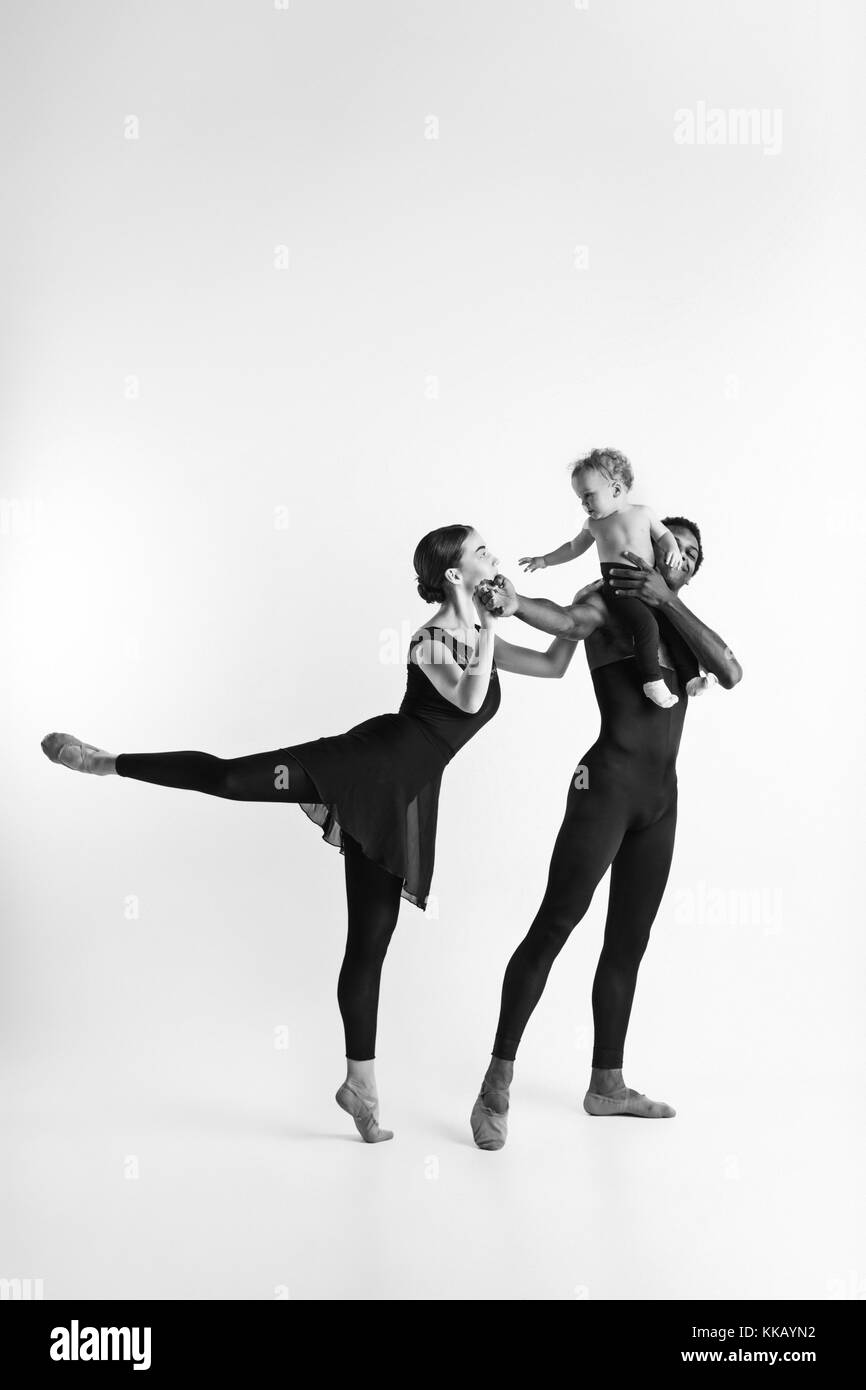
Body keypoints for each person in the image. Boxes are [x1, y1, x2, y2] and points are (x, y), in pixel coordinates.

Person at [41, 524, 589, 1146]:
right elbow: (466, 700)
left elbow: (553, 663)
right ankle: (107, 761)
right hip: (365, 765)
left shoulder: (482, 635)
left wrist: (586, 612)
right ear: (456, 576)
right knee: (228, 778)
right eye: (482, 552)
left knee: (370, 941)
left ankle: (360, 1083)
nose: (495, 556)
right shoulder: (432, 638)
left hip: (402, 799)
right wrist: (492, 625)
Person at [470, 517, 742, 1149]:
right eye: (674, 544)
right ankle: (495, 1085)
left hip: (659, 804)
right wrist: (512, 604)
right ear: (645, 547)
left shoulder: (674, 618)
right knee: (554, 925)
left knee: (628, 943)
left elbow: (730, 670)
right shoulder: (605, 604)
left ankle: (607, 1085)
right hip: (606, 789)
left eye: (692, 553)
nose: (683, 556)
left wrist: (666, 598)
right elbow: (565, 625)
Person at [519, 447, 710, 708]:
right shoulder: (594, 525)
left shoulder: (643, 513)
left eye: (588, 495)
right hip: (619, 587)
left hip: (648, 583)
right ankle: (652, 681)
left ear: (616, 490)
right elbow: (573, 548)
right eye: (580, 498)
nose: (584, 504)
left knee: (672, 629)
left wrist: (674, 551)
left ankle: (690, 679)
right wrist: (545, 560)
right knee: (646, 626)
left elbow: (664, 536)